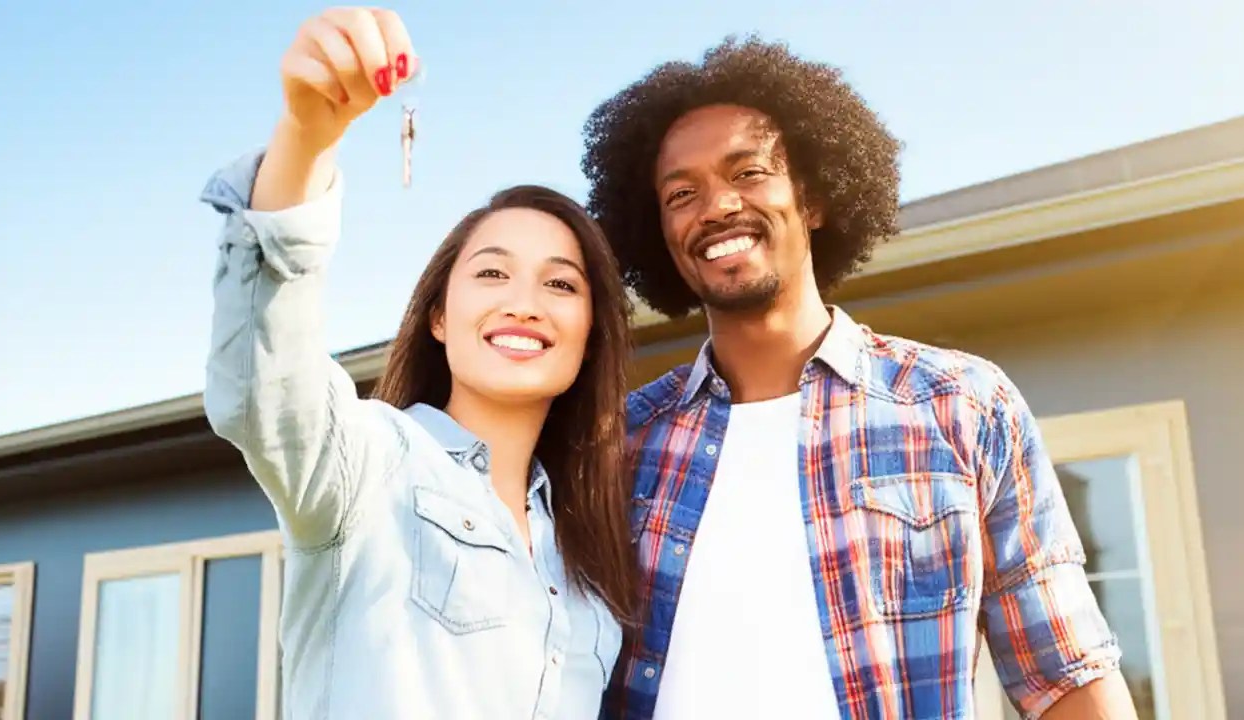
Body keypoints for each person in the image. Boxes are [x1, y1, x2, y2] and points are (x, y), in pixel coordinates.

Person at [582, 37, 1138, 720]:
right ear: (659, 231)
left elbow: (1066, 679)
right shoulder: (625, 441)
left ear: (811, 198)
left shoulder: (963, 405)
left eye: (748, 172)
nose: (717, 206)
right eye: (682, 193)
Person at [199, 8, 637, 718]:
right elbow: (265, 391)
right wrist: (306, 140)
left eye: (560, 284)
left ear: (592, 333)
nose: (524, 304)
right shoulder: (370, 465)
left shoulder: (588, 554)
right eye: (492, 274)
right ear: (439, 315)